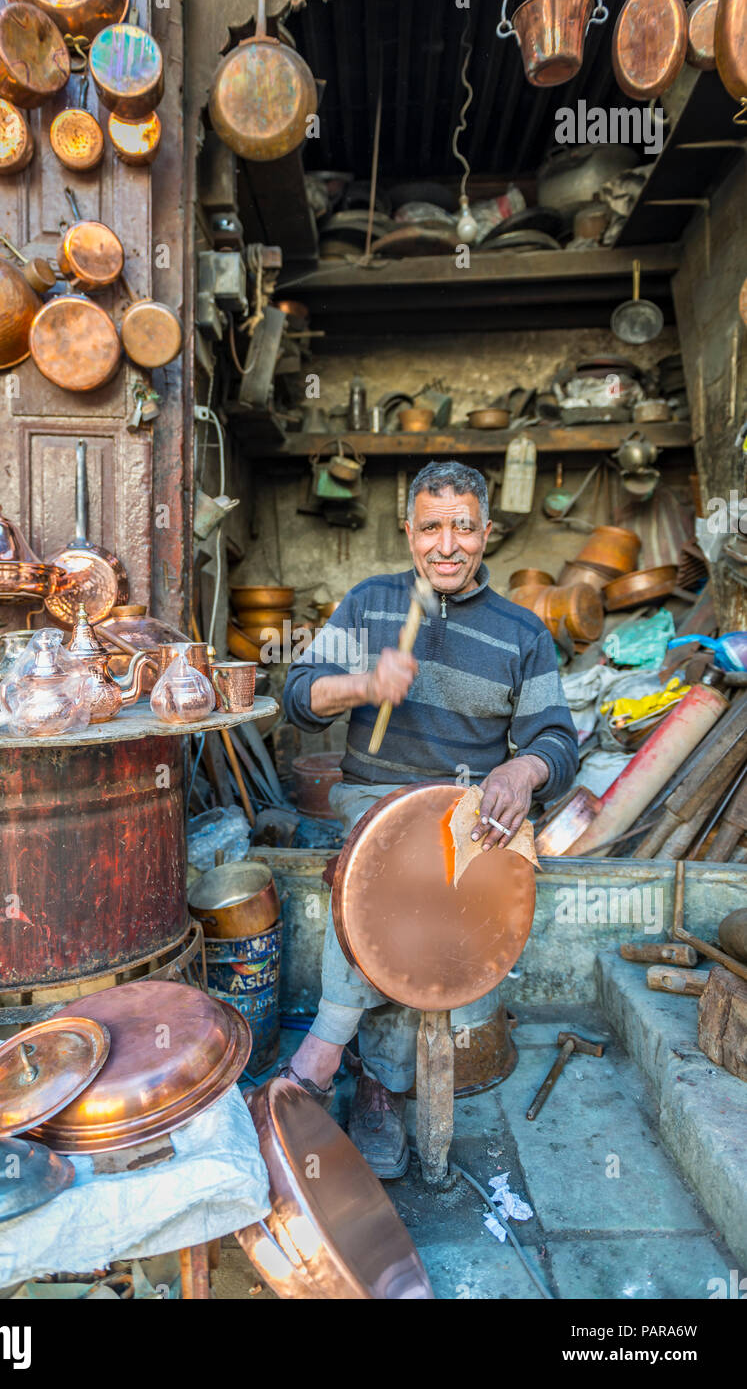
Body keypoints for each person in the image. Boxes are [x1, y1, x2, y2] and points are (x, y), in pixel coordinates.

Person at [280, 460, 579, 1178]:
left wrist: (521, 769)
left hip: (465, 810)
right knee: (395, 867)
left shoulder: (522, 632)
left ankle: (333, 1066)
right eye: (431, 527)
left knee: (421, 869)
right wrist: (359, 684)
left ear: (485, 534)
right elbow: (293, 693)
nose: (447, 545)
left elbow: (558, 740)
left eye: (463, 527)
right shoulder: (369, 603)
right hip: (370, 796)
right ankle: (365, 1077)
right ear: (408, 532)